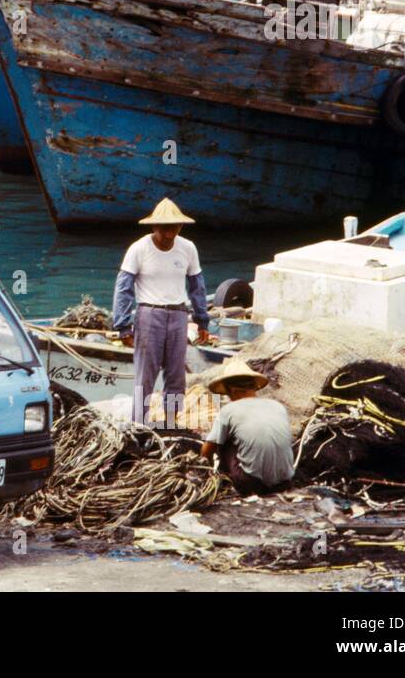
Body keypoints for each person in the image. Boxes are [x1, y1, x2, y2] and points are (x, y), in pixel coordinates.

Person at [111, 198, 211, 425]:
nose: (169, 232)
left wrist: (202, 320)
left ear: (180, 226)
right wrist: (123, 325)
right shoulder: (138, 249)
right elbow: (123, 289)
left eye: (174, 227)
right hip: (149, 315)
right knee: (145, 375)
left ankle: (170, 422)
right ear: (154, 227)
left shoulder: (188, 248)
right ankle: (139, 424)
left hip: (178, 315)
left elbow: (197, 287)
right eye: (164, 227)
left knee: (176, 374)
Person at [200, 360, 295, 496]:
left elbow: (207, 450)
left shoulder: (228, 410)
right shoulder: (277, 406)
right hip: (284, 482)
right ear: (254, 386)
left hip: (252, 484)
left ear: (230, 389)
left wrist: (204, 468)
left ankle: (226, 479)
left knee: (223, 441)